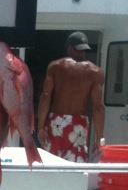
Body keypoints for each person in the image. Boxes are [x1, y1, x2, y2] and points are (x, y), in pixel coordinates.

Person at [37, 31, 105, 162]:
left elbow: (45, 97)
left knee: (51, 163)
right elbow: (98, 107)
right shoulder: (95, 72)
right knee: (76, 165)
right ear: (70, 48)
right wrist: (99, 137)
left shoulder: (55, 67)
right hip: (79, 124)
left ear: (68, 48)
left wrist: (40, 127)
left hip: (56, 122)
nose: (82, 53)